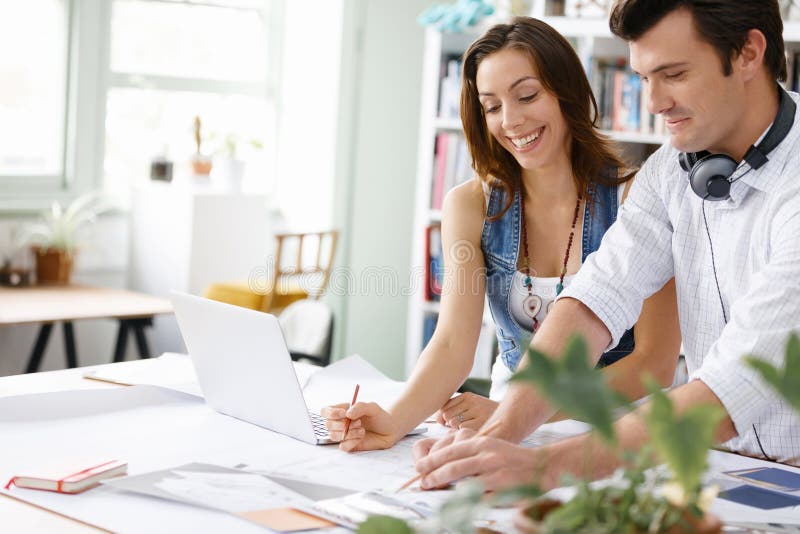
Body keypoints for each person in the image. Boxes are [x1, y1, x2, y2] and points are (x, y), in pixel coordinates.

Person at [413, 0, 800, 492]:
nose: (655, 101)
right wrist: (495, 437)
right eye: (643, 78)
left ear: (748, 52)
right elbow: (594, 299)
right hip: (721, 473)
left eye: (674, 74)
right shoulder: (670, 172)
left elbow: (734, 389)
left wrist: (542, 466)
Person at [321, 17, 681, 452]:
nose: (510, 120)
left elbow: (653, 365)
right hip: (506, 427)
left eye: (527, 95)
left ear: (566, 92)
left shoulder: (635, 199)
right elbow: (454, 342)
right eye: (491, 106)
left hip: (617, 431)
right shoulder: (469, 206)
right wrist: (394, 420)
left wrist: (522, 410)